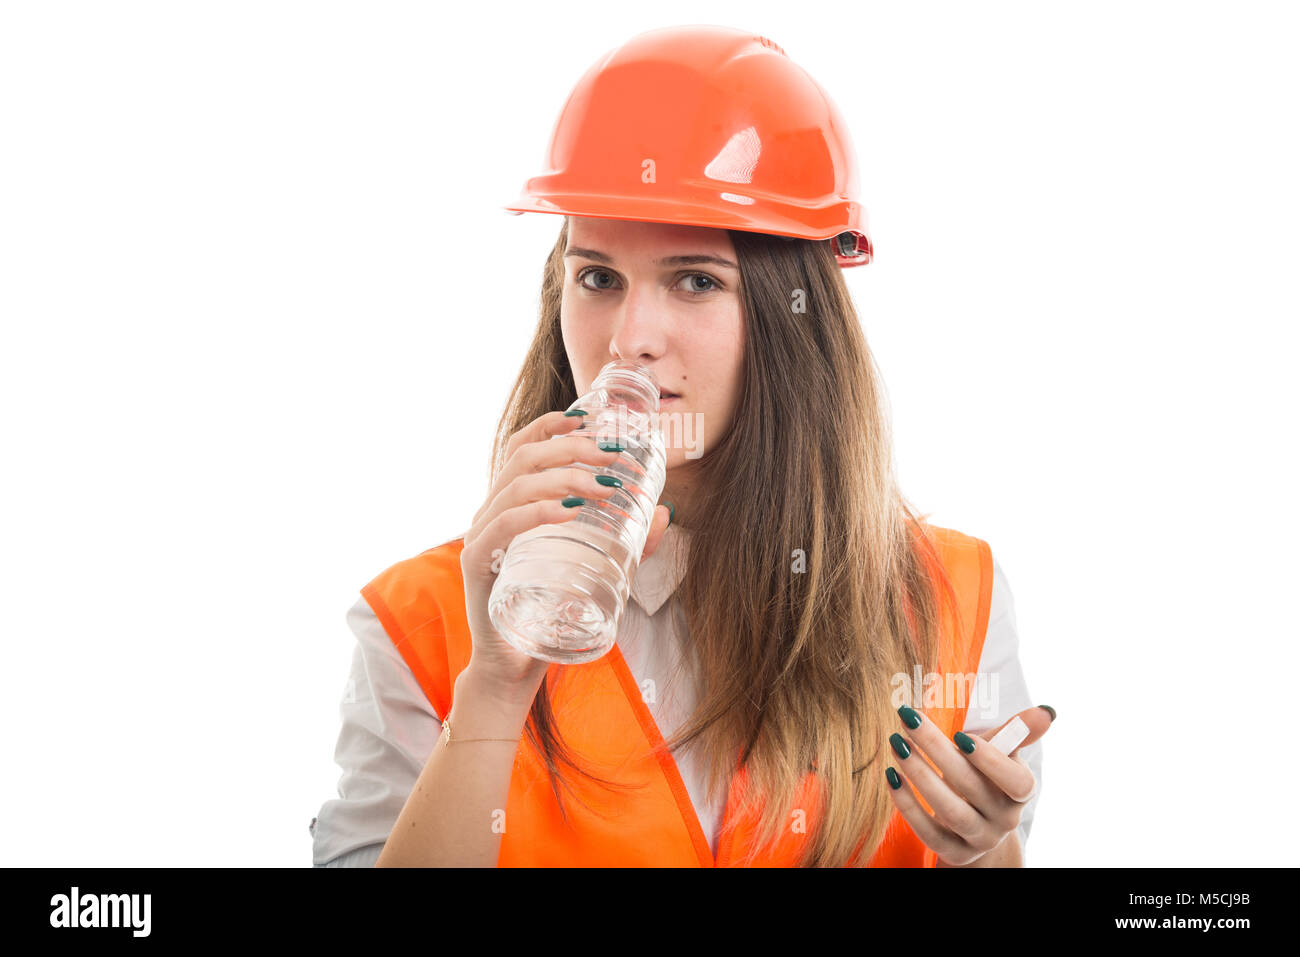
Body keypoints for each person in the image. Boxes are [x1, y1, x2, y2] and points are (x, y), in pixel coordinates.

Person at [310, 24, 1052, 867]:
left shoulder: (955, 599)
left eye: (695, 280)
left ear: (791, 319)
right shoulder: (424, 622)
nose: (630, 338)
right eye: (598, 277)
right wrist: (487, 696)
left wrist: (986, 851)